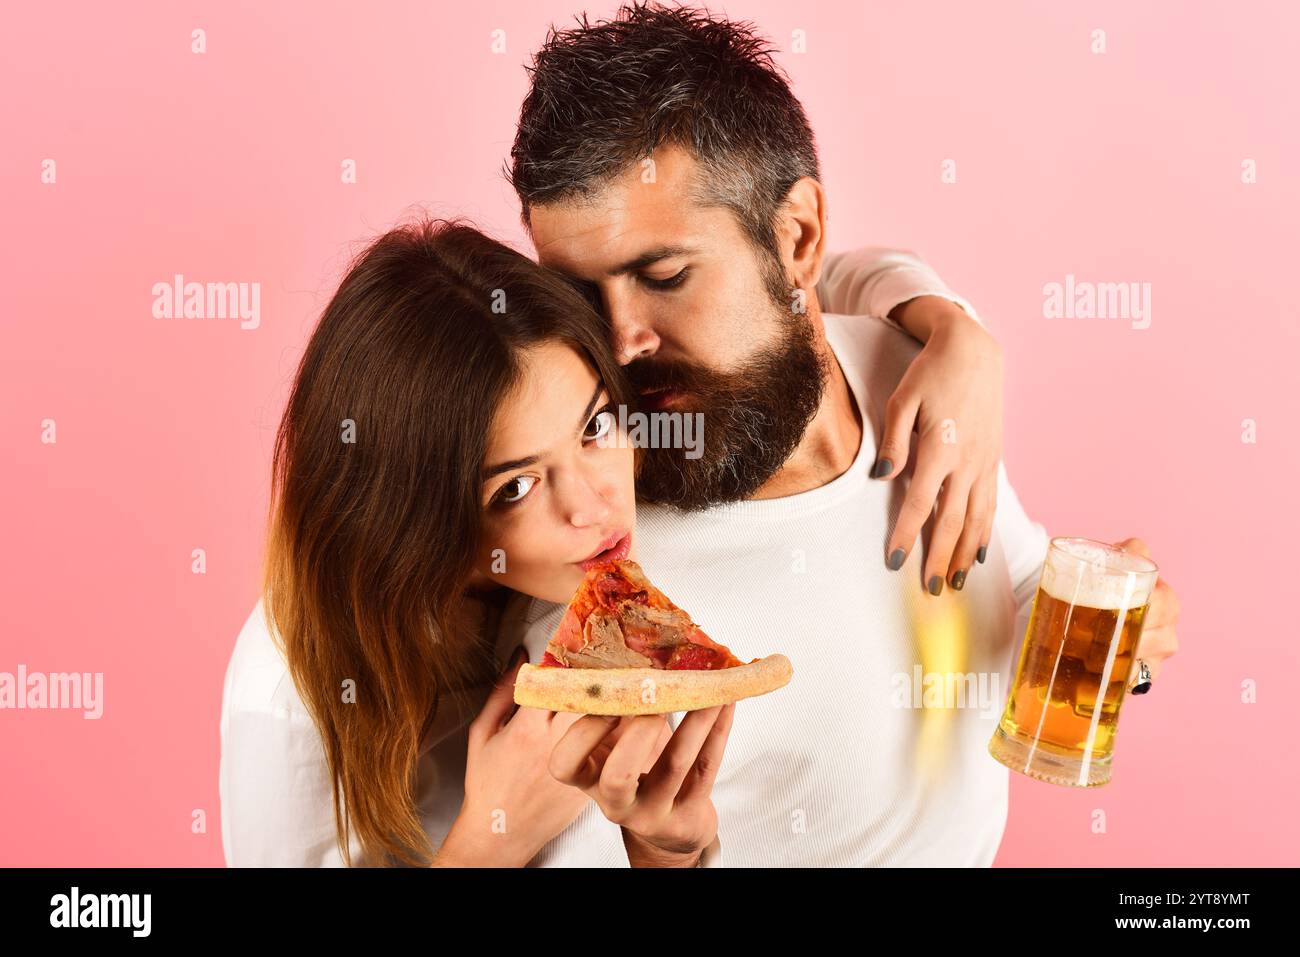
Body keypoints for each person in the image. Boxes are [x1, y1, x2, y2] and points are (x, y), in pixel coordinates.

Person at [494, 2, 1181, 865]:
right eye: (580, 296)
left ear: (799, 238)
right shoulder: (594, 568)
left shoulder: (919, 378)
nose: (620, 340)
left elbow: (1015, 575)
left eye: (664, 274)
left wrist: (1120, 639)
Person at [217, 220, 989, 867]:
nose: (598, 506)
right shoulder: (286, 697)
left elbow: (796, 270)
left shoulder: (569, 579)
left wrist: (955, 329)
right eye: (514, 488)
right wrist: (494, 833)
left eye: (595, 427)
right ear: (418, 521)